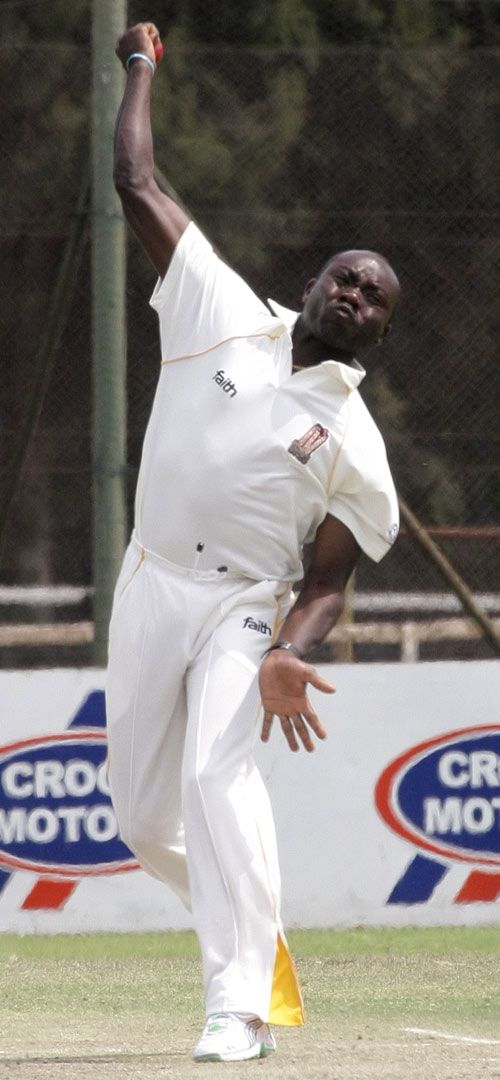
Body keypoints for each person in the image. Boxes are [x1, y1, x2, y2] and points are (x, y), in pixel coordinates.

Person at [106, 20, 400, 1065]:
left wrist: (288, 651)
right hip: (149, 580)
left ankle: (238, 1008)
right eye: (345, 278)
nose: (353, 294)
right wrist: (140, 67)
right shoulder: (219, 307)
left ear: (379, 331)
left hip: (243, 606)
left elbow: (327, 581)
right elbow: (136, 181)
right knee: (144, 821)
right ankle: (256, 935)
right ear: (315, 282)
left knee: (215, 781)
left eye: (373, 296)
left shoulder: (355, 444)